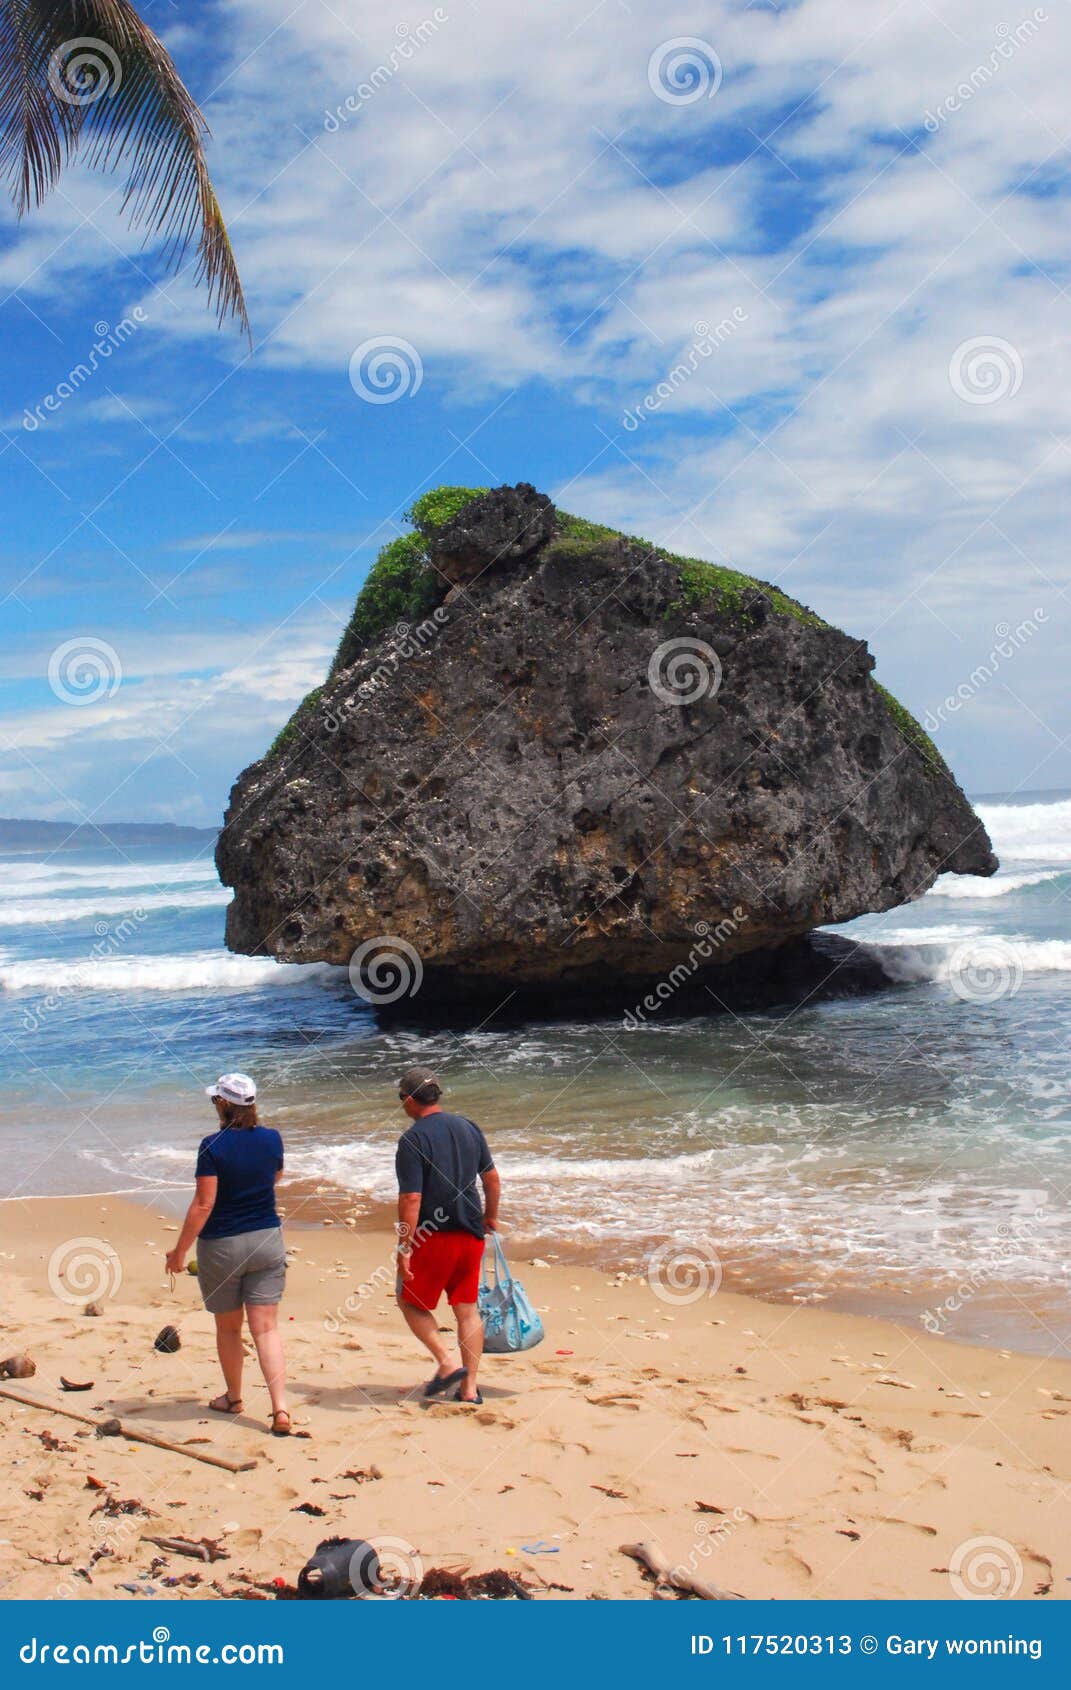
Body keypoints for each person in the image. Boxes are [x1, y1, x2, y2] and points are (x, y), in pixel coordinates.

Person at [165, 1072, 291, 1436]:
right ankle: (280, 1408)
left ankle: (234, 1399)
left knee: (229, 1328)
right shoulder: (272, 1139)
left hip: (222, 1245)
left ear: (222, 1104)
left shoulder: (212, 1146)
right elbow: (275, 1178)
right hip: (267, 1238)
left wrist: (179, 1252)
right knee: (266, 1329)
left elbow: (204, 1204)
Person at [394, 1066, 500, 1405]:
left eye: (401, 1100)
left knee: (409, 1300)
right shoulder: (468, 1127)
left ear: (410, 1101)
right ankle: (469, 1389)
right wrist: (491, 1216)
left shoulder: (413, 1139)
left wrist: (404, 1245)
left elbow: (411, 1198)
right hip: (471, 1231)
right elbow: (492, 1179)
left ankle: (446, 1361)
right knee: (467, 1309)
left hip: (433, 1234)